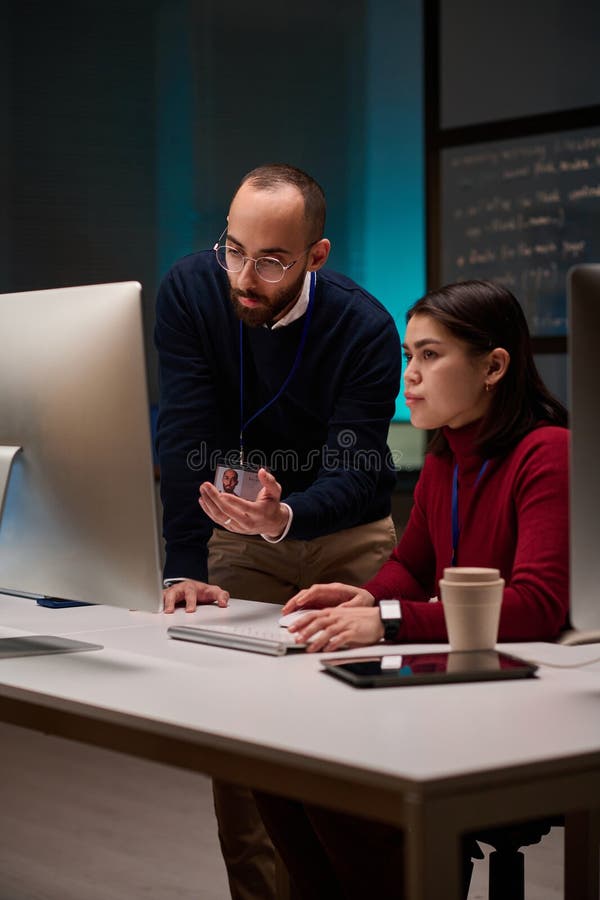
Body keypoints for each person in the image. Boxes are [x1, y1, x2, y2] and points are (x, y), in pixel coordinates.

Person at [253, 278, 570, 898]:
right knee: (279, 761)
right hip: (458, 687)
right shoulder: (446, 460)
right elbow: (413, 566)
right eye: (408, 356)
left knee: (337, 775)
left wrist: (391, 621)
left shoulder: (548, 454)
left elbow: (536, 607)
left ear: (494, 367)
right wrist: (364, 597)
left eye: (431, 354)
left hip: (525, 704)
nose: (411, 374)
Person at [154, 163, 401, 900]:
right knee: (244, 767)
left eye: (271, 260)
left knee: (356, 753)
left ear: (315, 258)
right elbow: (186, 434)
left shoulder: (365, 325)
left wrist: (286, 515)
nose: (244, 276)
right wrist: (182, 566)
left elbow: (360, 470)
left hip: (346, 533)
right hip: (238, 528)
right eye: (233, 249)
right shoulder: (193, 292)